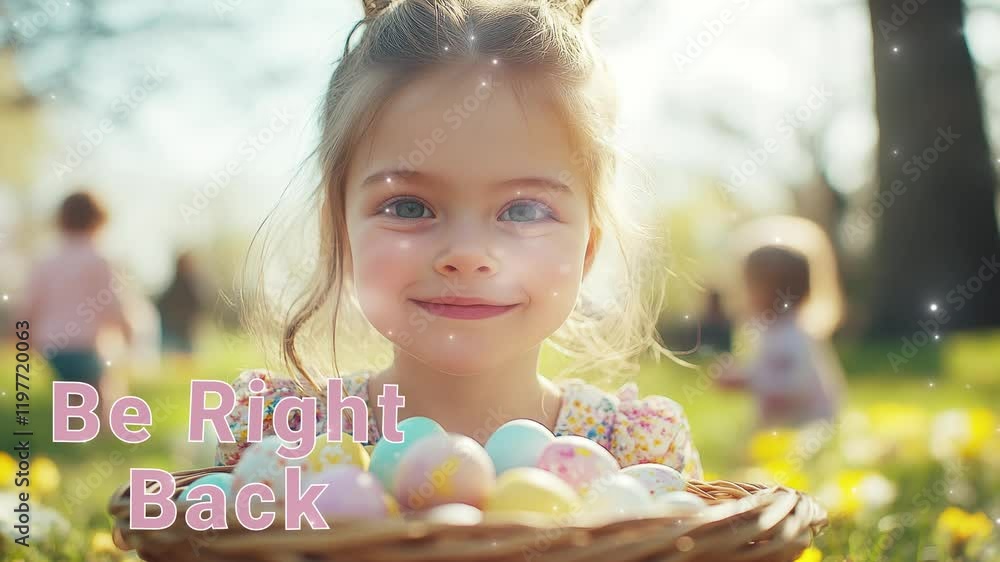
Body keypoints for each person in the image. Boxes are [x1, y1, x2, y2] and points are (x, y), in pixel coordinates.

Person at [214, 0, 702, 479]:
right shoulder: (281, 441)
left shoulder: (639, 457)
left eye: (524, 210)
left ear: (587, 249)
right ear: (340, 235)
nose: (467, 255)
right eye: (408, 207)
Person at [715, 221, 847, 430]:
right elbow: (766, 368)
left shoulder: (796, 335)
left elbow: (797, 384)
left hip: (809, 424)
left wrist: (748, 381)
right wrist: (742, 374)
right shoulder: (768, 332)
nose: (744, 294)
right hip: (782, 424)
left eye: (750, 286)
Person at [17, 190, 134, 416]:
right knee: (101, 402)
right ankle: (96, 440)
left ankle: (71, 437)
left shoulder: (46, 262)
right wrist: (129, 332)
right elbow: (112, 305)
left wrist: (24, 340)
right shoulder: (99, 260)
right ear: (99, 221)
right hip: (86, 345)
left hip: (51, 346)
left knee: (71, 398)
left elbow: (29, 308)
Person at [155, 251, 208, 357]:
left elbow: (198, 306)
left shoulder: (192, 285)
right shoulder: (182, 286)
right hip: (174, 331)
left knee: (184, 360)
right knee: (177, 359)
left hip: (183, 330)